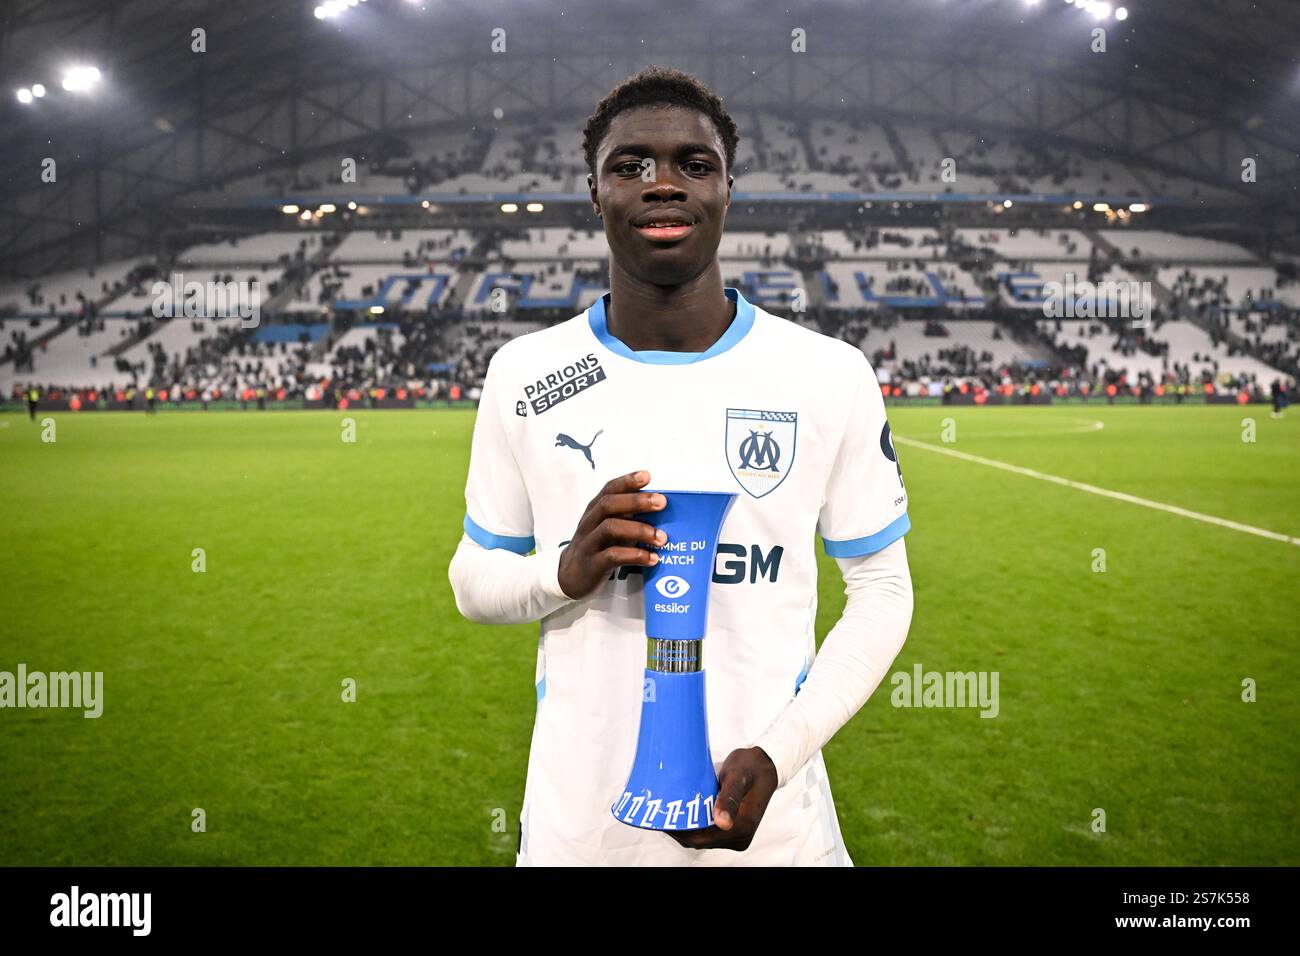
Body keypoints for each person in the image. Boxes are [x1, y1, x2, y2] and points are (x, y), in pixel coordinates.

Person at [447, 66, 913, 867]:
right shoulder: (524, 373)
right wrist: (561, 573)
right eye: (630, 166)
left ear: (729, 187)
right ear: (594, 192)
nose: (662, 184)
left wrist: (780, 750)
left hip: (779, 838)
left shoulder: (827, 373)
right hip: (580, 836)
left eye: (693, 165)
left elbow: (882, 589)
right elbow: (472, 578)